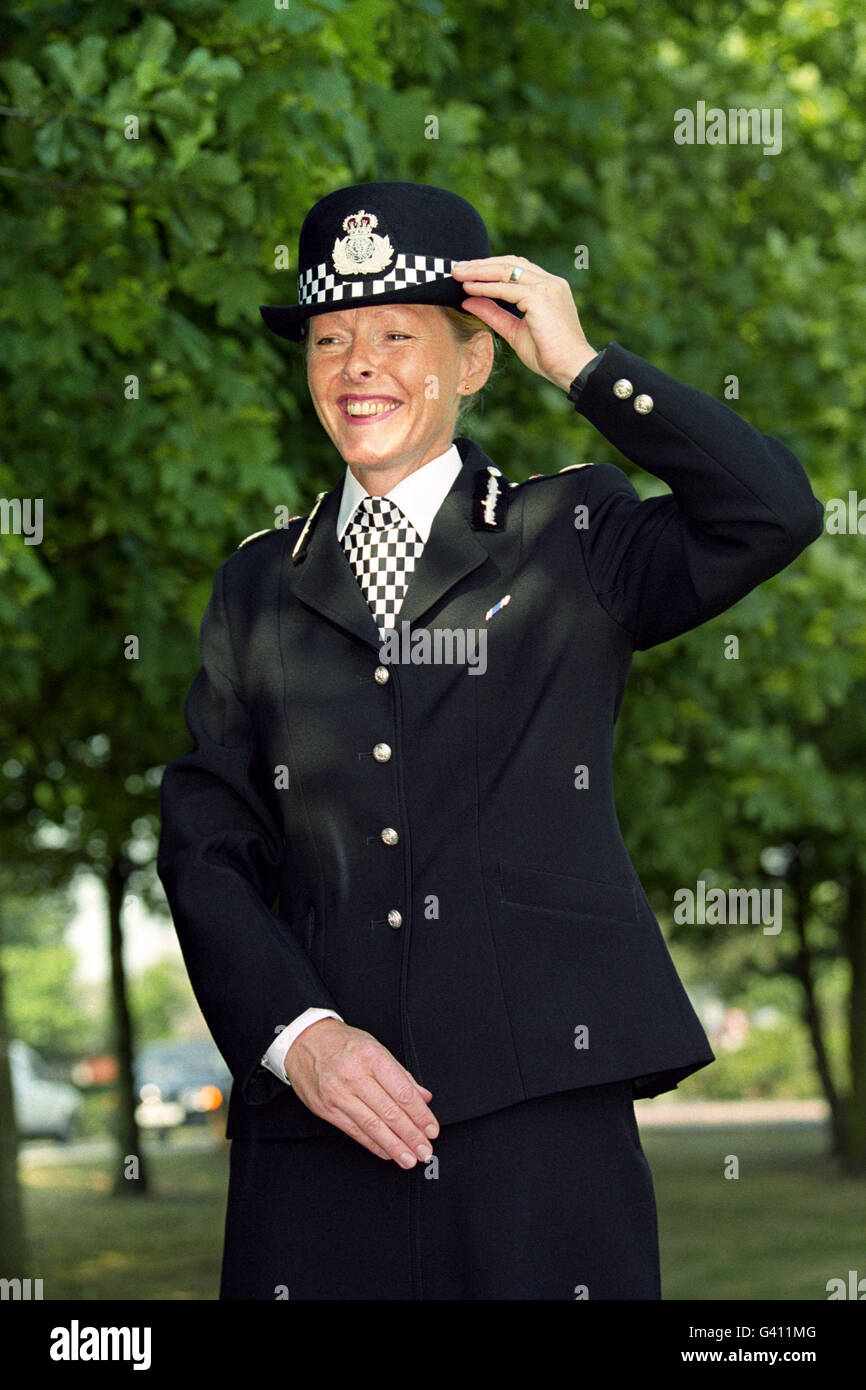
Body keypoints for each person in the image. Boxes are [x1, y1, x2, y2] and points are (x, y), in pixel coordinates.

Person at [157, 181, 824, 1300]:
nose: (356, 363)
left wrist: (582, 365)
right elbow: (204, 843)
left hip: (540, 1117)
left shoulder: (568, 534)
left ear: (473, 360)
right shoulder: (256, 582)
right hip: (322, 1124)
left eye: (396, 334)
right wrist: (294, 1034)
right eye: (329, 338)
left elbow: (770, 512)